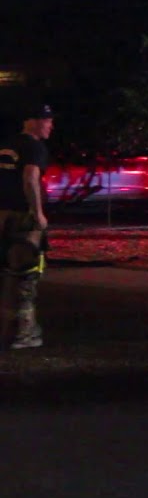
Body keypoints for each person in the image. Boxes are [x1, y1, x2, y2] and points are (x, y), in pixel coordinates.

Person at [0, 102, 54, 350]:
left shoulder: (7, 146)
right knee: (26, 273)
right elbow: (30, 177)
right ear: (32, 122)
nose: (50, 126)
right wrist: (38, 212)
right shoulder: (34, 147)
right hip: (22, 218)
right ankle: (24, 334)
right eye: (47, 120)